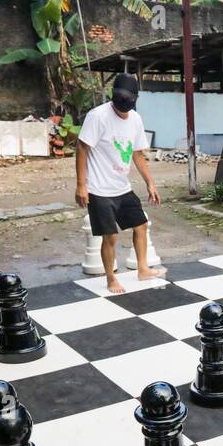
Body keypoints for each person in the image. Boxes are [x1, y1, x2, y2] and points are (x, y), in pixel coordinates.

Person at [74, 72, 165, 294]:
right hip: (98, 188)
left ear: (135, 98)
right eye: (120, 96)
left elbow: (137, 153)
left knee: (141, 225)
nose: (124, 101)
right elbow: (82, 147)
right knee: (111, 235)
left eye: (129, 97)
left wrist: (150, 183)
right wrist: (81, 185)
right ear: (113, 94)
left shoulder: (135, 119)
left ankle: (143, 269)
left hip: (122, 187)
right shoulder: (98, 116)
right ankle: (111, 279)